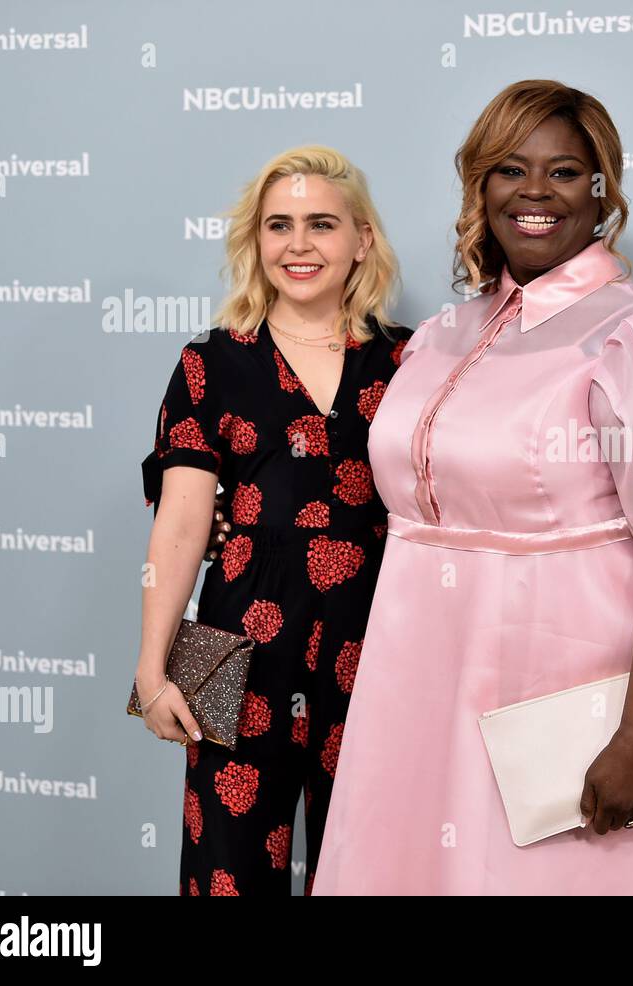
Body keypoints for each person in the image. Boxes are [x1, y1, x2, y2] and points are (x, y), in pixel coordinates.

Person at [310, 80, 633, 894]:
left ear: (601, 189)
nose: (535, 193)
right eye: (511, 170)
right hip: (420, 683)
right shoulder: (444, 336)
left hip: (572, 698)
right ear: (481, 186)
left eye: (563, 172)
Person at [135, 145, 410, 896]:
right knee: (224, 867)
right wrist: (152, 665)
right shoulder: (210, 361)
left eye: (321, 223)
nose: (298, 244)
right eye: (278, 225)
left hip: (380, 639)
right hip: (229, 641)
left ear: (363, 240)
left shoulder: (412, 362)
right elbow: (183, 522)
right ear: (255, 243)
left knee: (366, 868)